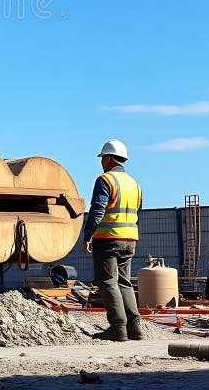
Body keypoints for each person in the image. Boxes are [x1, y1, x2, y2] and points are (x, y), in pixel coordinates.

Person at [82, 139, 143, 342]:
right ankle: (135, 328)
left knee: (107, 281)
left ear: (107, 159)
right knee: (124, 282)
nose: (101, 163)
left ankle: (118, 328)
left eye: (102, 159)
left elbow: (98, 210)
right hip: (129, 239)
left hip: (108, 239)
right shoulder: (134, 184)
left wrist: (87, 235)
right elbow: (137, 210)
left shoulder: (105, 180)